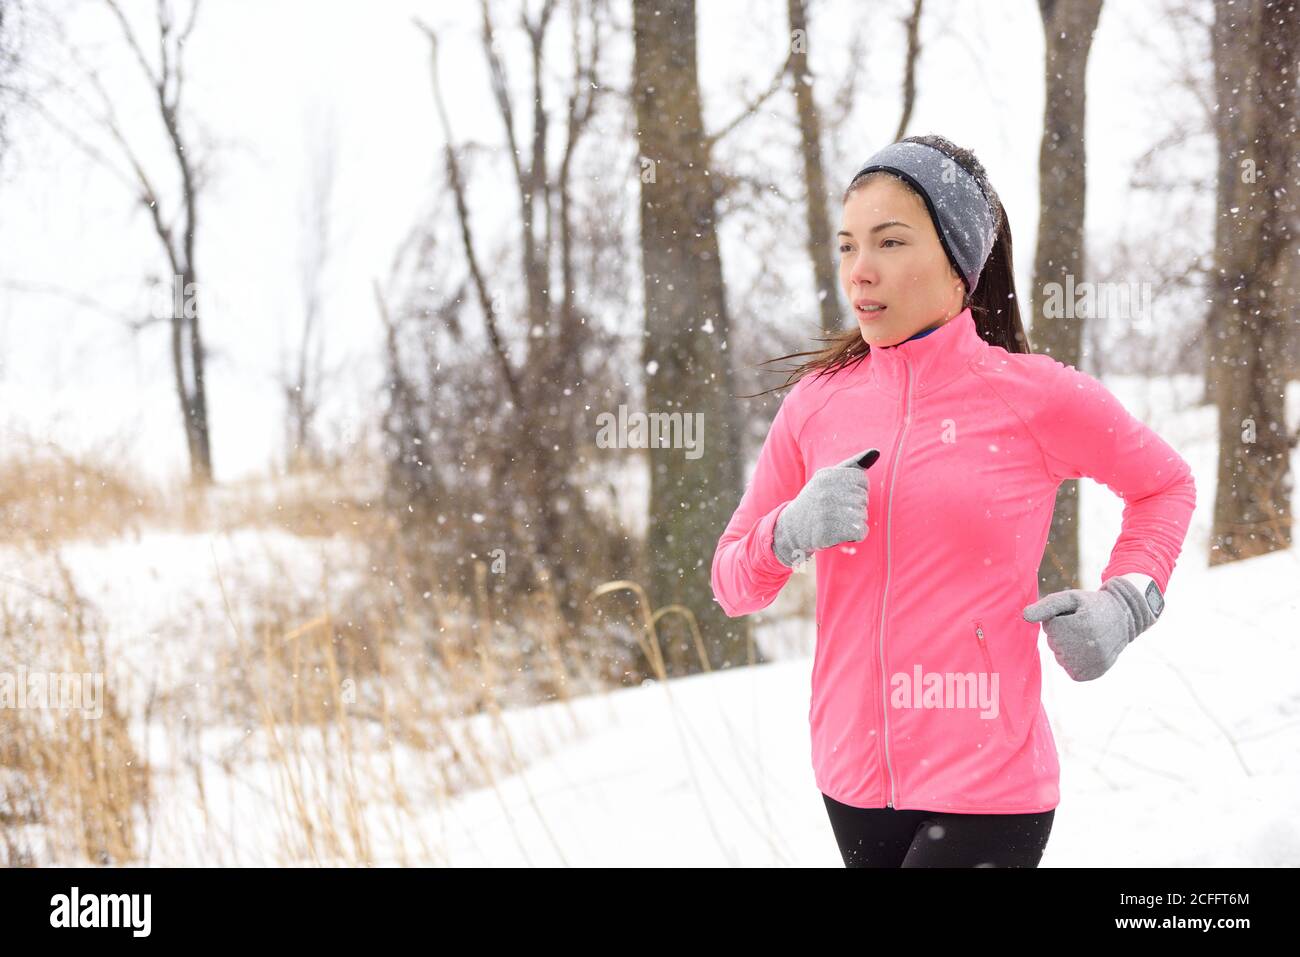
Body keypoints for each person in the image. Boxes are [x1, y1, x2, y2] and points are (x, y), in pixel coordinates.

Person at [710, 134, 1197, 868]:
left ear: (959, 261)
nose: (860, 271)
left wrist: (1128, 599)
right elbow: (731, 581)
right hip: (851, 779)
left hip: (988, 781)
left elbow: (1165, 484)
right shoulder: (816, 405)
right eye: (847, 246)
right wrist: (788, 530)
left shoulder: (1033, 396)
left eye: (891, 241)